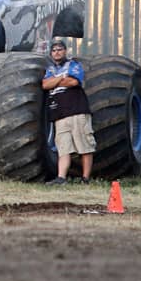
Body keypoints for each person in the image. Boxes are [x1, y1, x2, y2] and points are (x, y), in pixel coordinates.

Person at [43, 39, 94, 184]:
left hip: (77, 111)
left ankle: (85, 178)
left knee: (84, 145)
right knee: (63, 149)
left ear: (65, 51)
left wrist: (55, 81)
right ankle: (61, 178)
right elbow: (45, 85)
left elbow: (74, 82)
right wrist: (62, 77)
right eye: (54, 50)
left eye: (59, 49)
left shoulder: (73, 64)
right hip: (59, 115)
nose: (57, 52)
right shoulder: (50, 69)